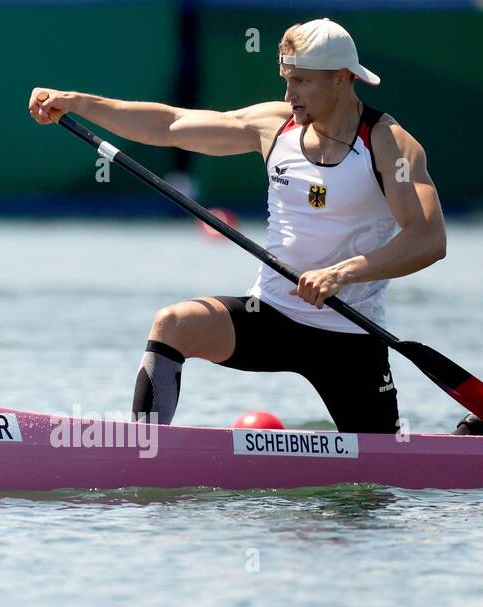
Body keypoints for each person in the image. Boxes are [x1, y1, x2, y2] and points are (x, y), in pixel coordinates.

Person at [29, 17, 451, 434]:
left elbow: (428, 238)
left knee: (376, 474)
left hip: (348, 332)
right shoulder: (274, 124)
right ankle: (143, 449)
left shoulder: (388, 144)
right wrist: (78, 102)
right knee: (174, 323)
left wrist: (342, 273)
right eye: (287, 79)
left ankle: (468, 440)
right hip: (269, 314)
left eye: (302, 81)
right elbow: (169, 125)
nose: (290, 94)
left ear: (342, 78)